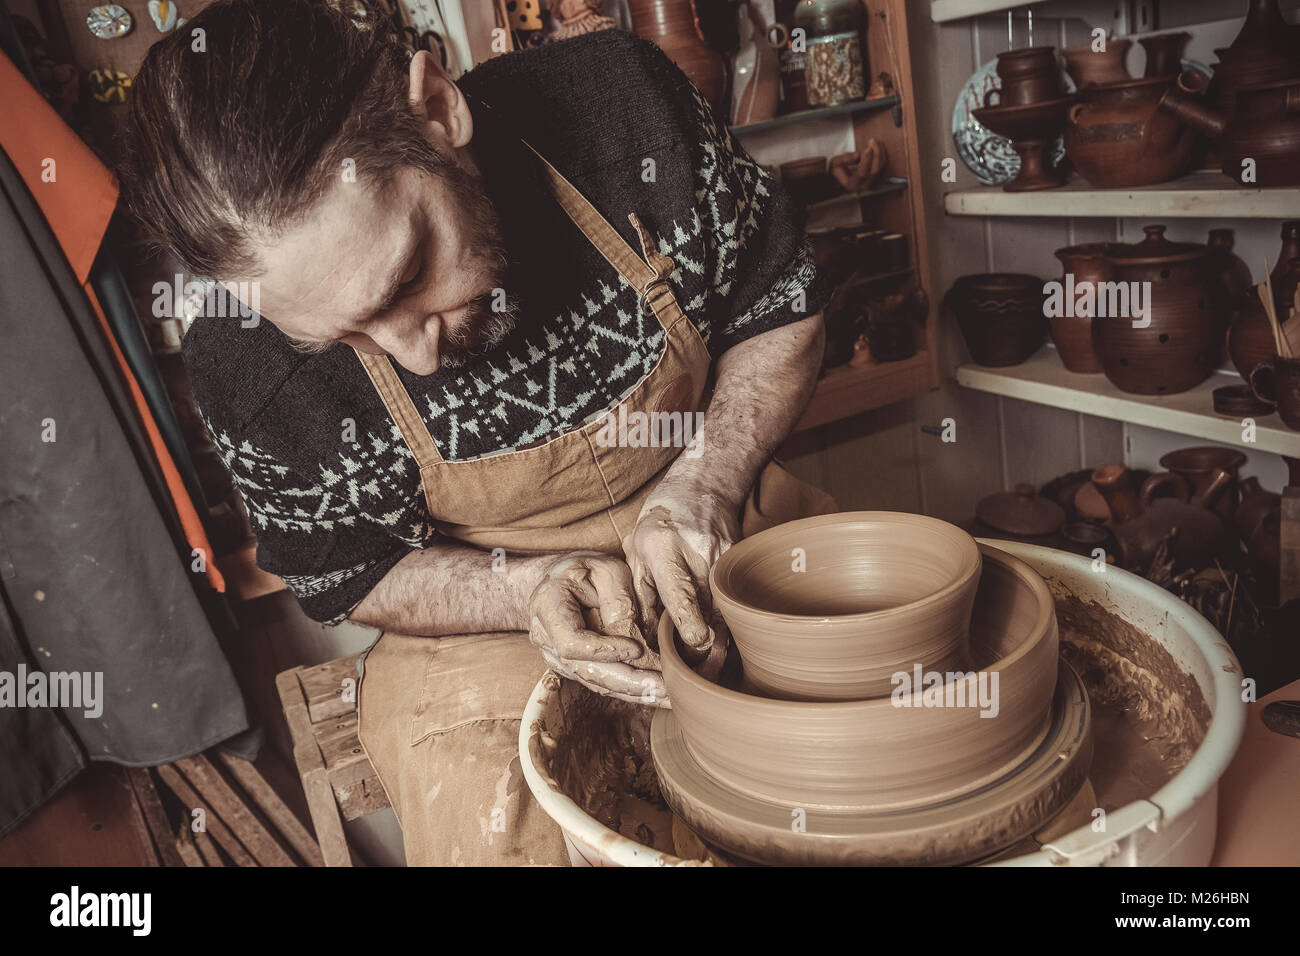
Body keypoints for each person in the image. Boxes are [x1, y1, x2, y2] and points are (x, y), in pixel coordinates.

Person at [119, 0, 835, 865]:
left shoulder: (622, 109)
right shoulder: (244, 362)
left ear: (434, 111)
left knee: (861, 735)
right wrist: (524, 591)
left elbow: (779, 308)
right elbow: (348, 574)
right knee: (493, 809)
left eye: (408, 276)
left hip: (725, 512)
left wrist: (708, 481)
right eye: (343, 337)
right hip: (498, 616)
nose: (414, 359)